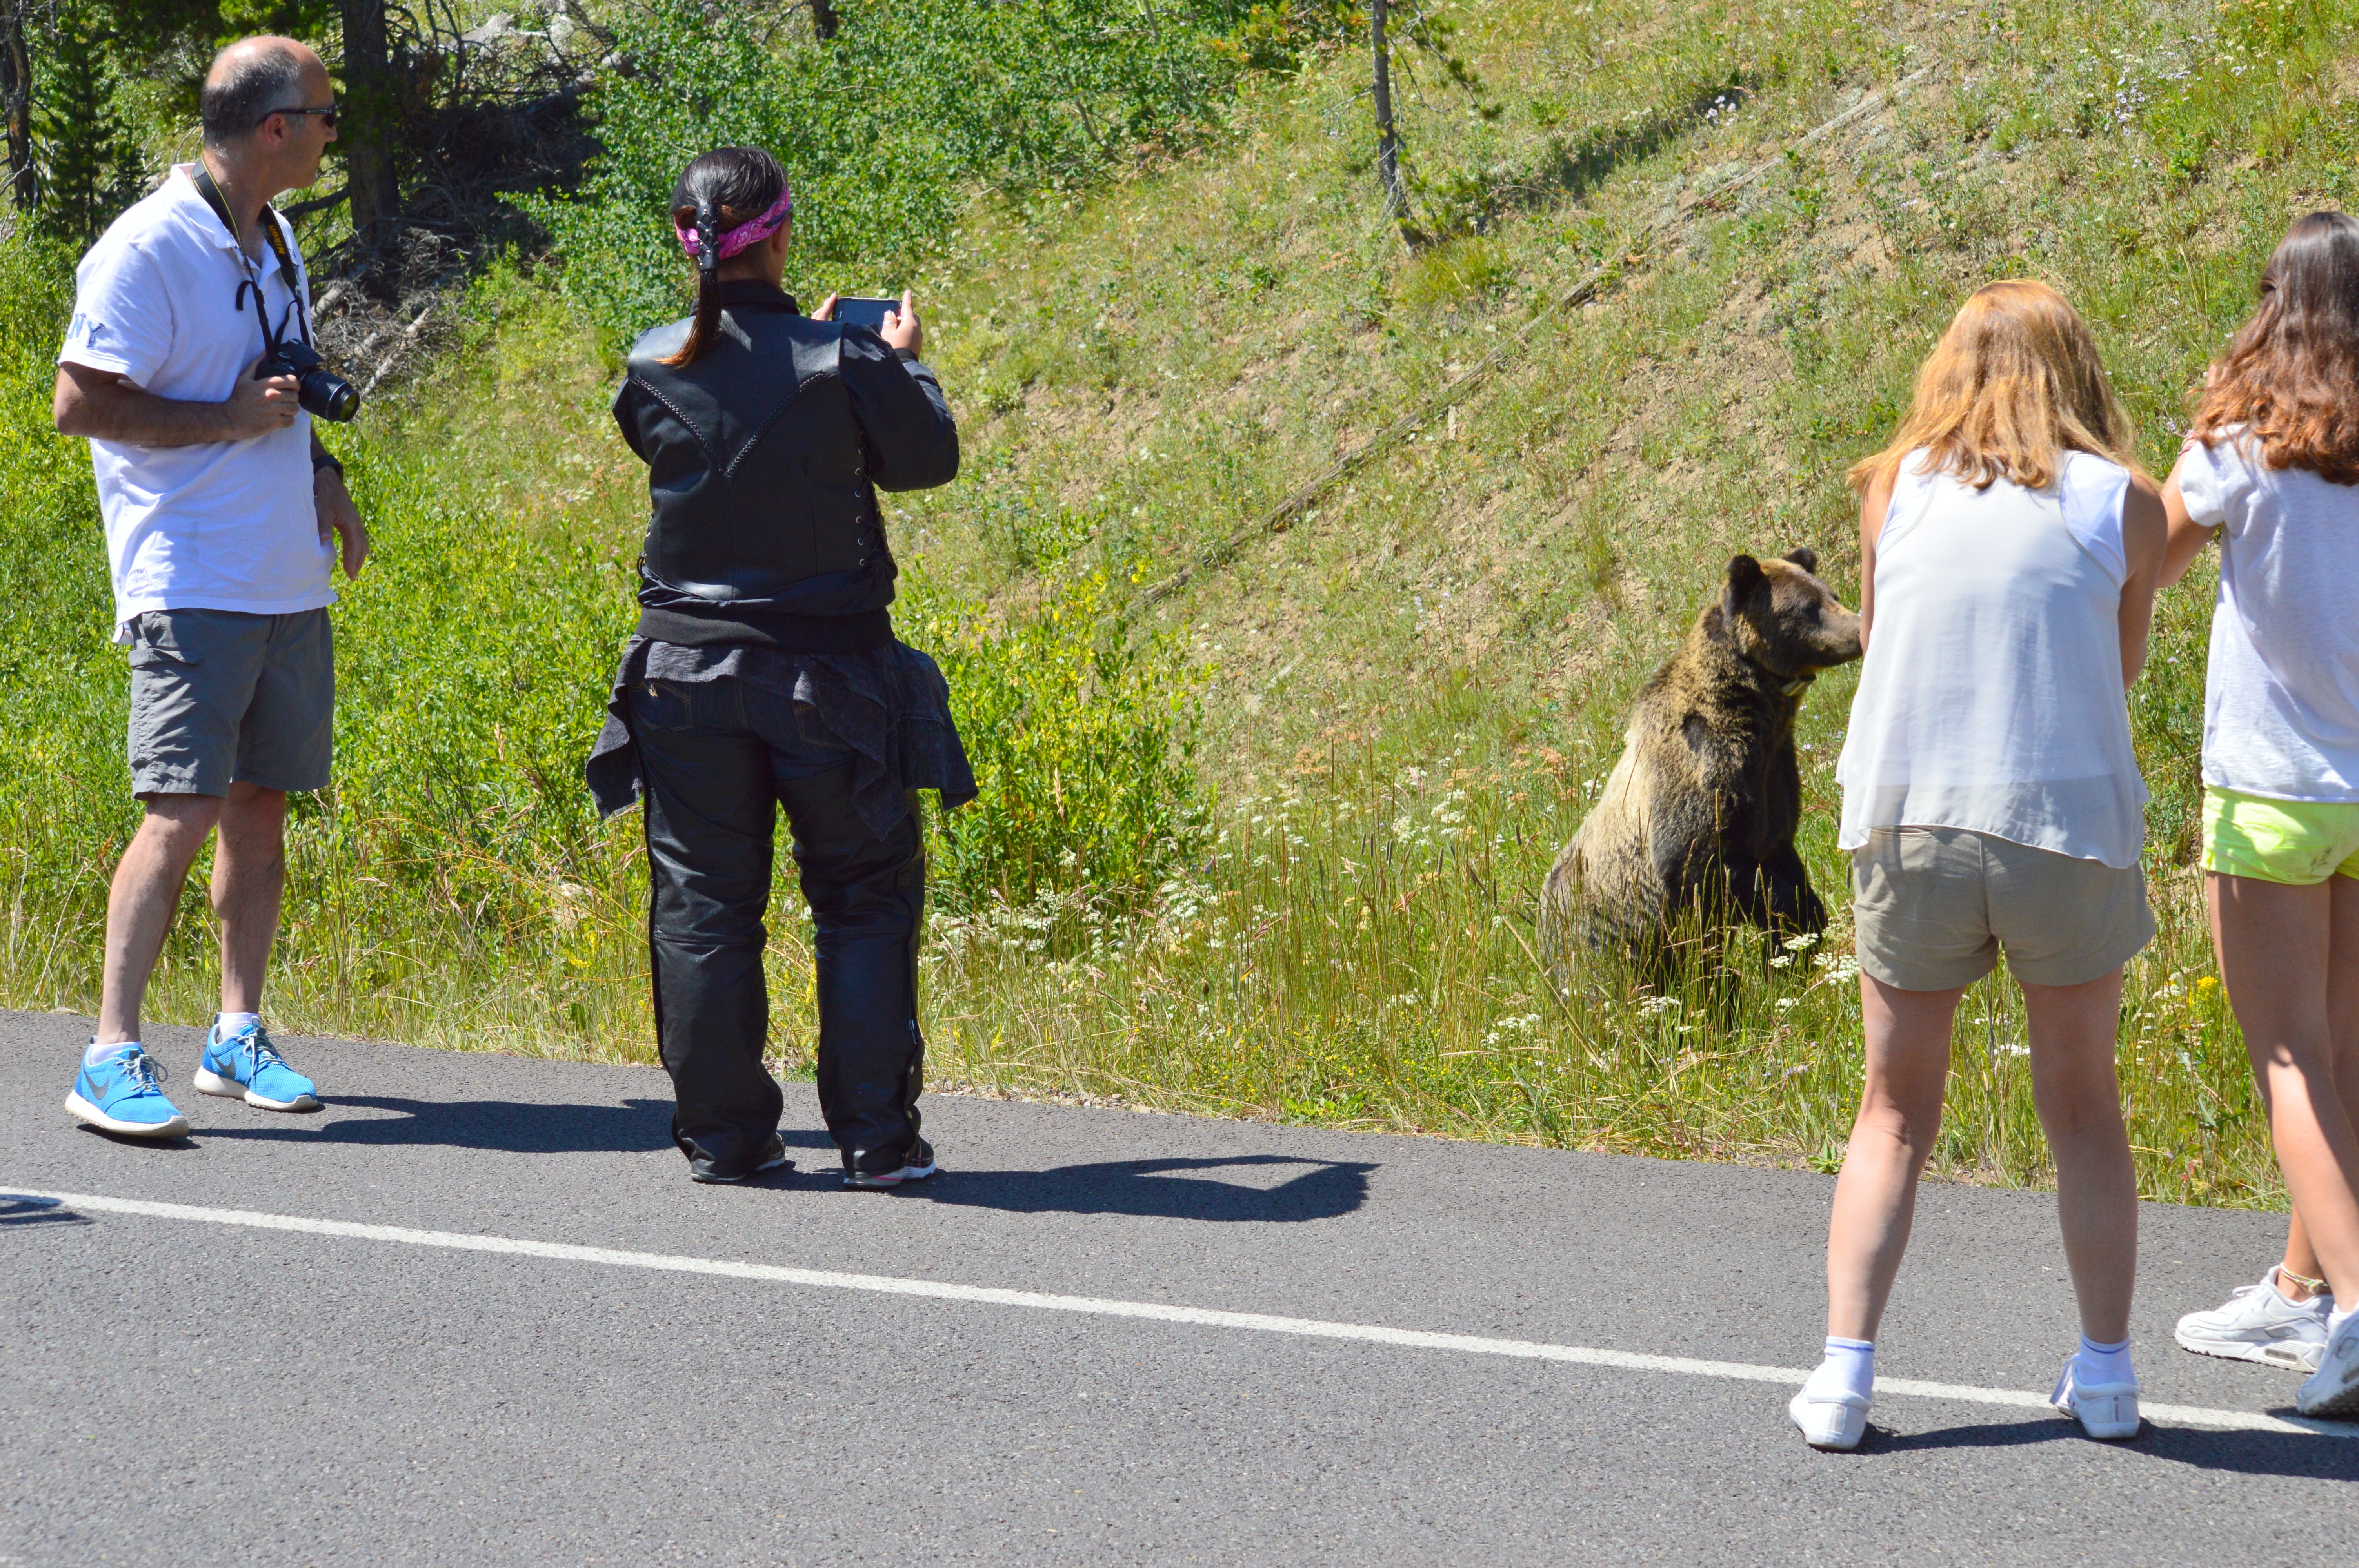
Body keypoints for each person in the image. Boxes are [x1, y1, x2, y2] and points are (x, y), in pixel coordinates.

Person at [1790, 281, 2167, 1449]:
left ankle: (1845, 1380)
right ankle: (2105, 1376)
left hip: (1912, 814)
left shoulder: (1889, 488)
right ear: (2079, 373)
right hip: (2062, 817)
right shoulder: (2127, 503)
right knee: (2084, 1108)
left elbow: (1888, 633)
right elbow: (2122, 668)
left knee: (1893, 1108)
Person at [586, 146, 974, 1187]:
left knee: (705, 906)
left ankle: (725, 1135)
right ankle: (876, 1142)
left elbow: (686, 440)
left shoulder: (648, 362)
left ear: (690, 242)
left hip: (680, 672)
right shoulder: (845, 361)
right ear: (785, 231)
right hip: (828, 680)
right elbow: (927, 459)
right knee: (860, 898)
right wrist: (903, 360)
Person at [53, 36, 367, 1139]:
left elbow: (283, 369)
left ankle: (236, 1034)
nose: (337, 131)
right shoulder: (145, 248)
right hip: (188, 572)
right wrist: (227, 423)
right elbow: (79, 405)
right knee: (179, 811)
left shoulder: (274, 234)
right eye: (327, 115)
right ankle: (110, 1051)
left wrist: (326, 481)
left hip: (282, 569)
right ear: (274, 126)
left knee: (260, 807)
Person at [2159, 212, 2359, 1419]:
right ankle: (2296, 1284)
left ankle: (2353, 1302)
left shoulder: (2241, 438)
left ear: (2277, 306)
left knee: (2287, 1055)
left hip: (2276, 784)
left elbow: (2158, 553)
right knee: (2342, 1054)